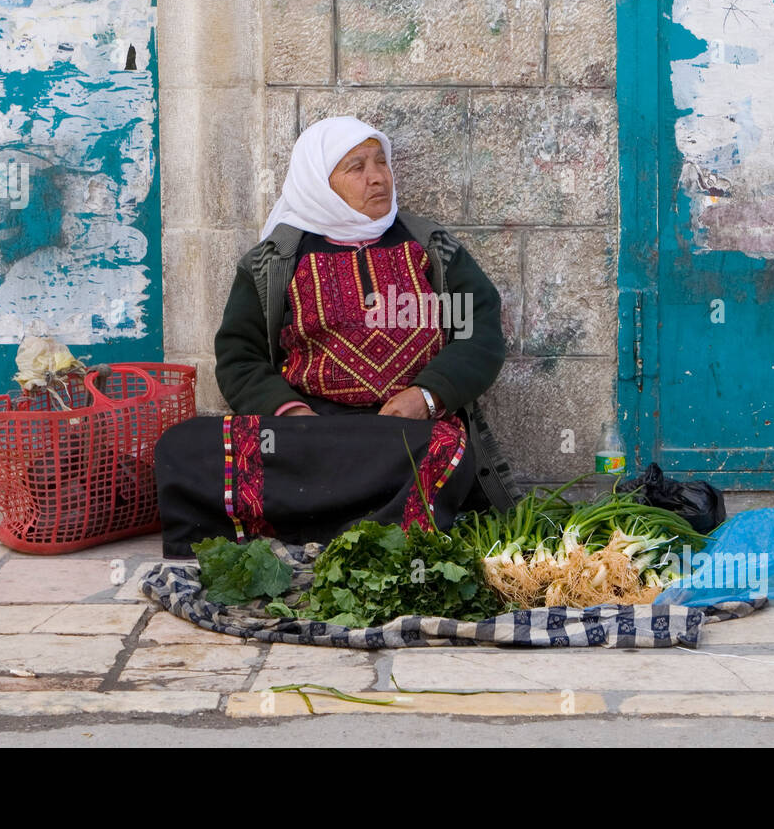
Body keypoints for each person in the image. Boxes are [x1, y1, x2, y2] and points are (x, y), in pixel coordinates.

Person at [155, 116, 520, 557]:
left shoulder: (432, 248)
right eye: (356, 167)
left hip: (402, 434)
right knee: (183, 445)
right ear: (318, 182)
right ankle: (353, 528)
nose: (377, 177)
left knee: (446, 448)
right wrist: (289, 414)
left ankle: (339, 536)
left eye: (381, 162)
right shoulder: (275, 260)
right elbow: (238, 355)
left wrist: (426, 397)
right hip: (311, 433)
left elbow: (478, 332)